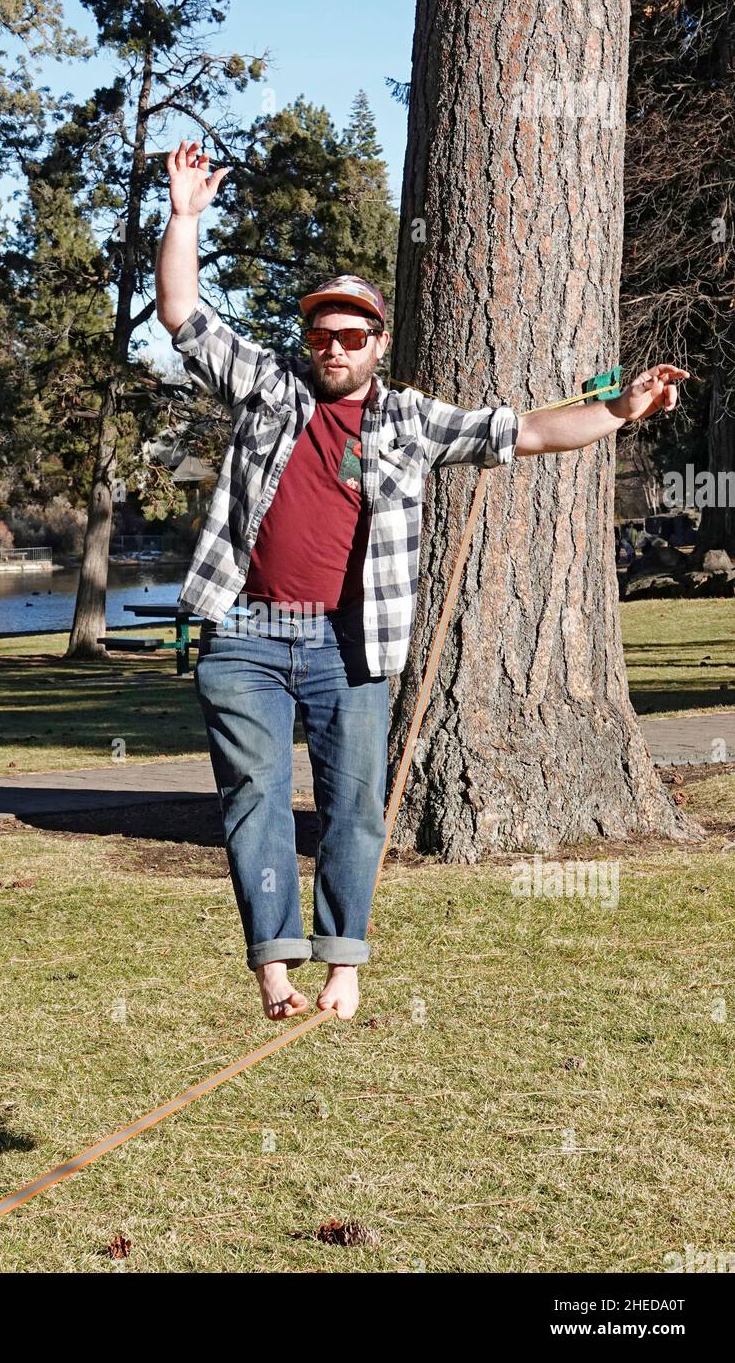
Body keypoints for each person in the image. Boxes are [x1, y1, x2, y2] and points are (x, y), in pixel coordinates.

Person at [154, 139, 688, 1023]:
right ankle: (275, 967)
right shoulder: (267, 388)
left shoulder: (407, 418)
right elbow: (181, 310)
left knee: (356, 805)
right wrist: (184, 217)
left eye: (352, 334)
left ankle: (345, 963)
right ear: (308, 339)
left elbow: (525, 433)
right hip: (245, 634)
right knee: (254, 798)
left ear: (377, 344)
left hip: (349, 643)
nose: (334, 346)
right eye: (321, 332)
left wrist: (622, 410)